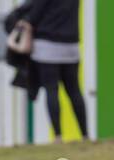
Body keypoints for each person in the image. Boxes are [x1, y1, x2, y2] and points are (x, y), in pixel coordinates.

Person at [25, 0, 88, 140]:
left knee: (51, 90)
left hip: (47, 45)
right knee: (74, 91)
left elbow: (34, 15)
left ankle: (58, 136)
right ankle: (85, 134)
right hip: (71, 46)